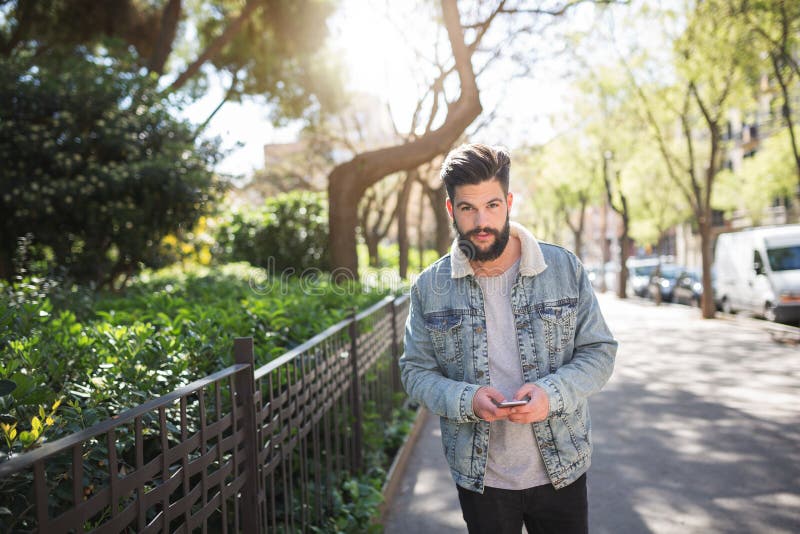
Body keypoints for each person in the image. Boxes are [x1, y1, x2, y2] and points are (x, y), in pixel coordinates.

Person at [399, 143, 617, 534]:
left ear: (509, 203)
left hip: (562, 467)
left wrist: (551, 393)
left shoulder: (563, 268)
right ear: (451, 209)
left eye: (492, 205)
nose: (482, 221)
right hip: (481, 478)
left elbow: (599, 353)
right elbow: (415, 372)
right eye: (468, 208)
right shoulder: (429, 286)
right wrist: (467, 400)